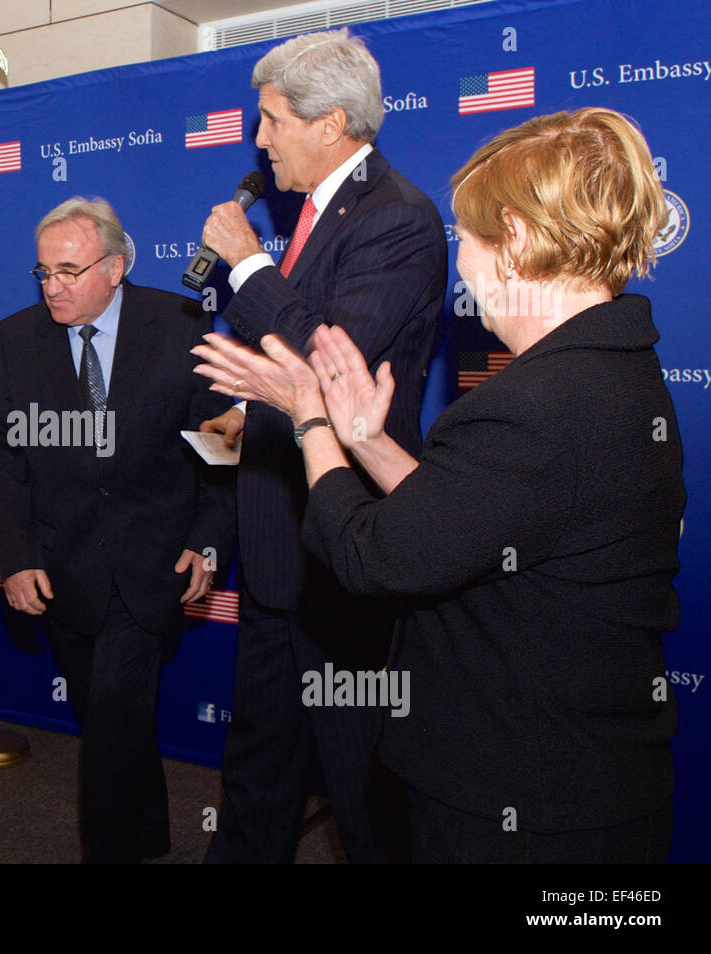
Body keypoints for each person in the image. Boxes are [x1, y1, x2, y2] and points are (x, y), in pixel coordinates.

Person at [192, 107, 682, 863]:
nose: (463, 266)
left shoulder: (533, 405)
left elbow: (373, 556)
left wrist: (309, 417)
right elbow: (465, 518)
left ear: (515, 238)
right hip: (583, 783)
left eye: (469, 239)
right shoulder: (611, 368)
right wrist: (367, 438)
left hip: (523, 800)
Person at [197, 28, 447, 863]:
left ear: (331, 122)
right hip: (278, 552)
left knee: (361, 784)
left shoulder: (398, 218)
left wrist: (246, 268)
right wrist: (251, 411)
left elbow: (332, 365)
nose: (259, 139)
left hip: (347, 557)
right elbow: (295, 369)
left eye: (272, 120)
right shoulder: (315, 213)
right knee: (257, 771)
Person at [0, 198, 235, 863]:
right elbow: (1, 461)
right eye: (44, 272)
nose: (52, 286)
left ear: (115, 267)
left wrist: (207, 541)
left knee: (114, 712)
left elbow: (220, 446)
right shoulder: (16, 339)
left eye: (69, 271)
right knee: (110, 716)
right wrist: (17, 556)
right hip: (61, 567)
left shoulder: (180, 324)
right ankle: (148, 834)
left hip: (152, 561)